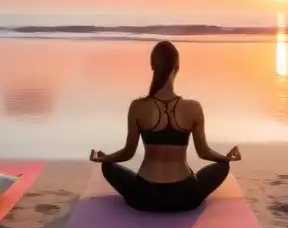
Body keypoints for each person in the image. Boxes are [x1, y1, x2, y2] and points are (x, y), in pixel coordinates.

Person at [89, 40, 241, 213]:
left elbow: (127, 153)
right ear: (177, 67)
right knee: (223, 166)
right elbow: (204, 152)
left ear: (153, 66)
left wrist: (105, 159)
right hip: (185, 196)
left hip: (145, 196)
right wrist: (226, 158)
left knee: (108, 167)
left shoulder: (138, 107)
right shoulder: (193, 108)